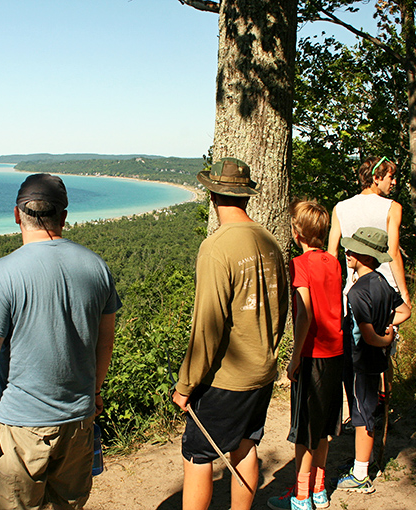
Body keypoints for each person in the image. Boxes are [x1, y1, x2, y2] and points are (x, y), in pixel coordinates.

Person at [0, 173, 122, 510]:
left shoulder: (3, 273)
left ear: (17, 214)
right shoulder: (97, 267)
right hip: (78, 419)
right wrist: (94, 393)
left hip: (20, 427)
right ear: (64, 216)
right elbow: (104, 344)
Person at [171, 157, 289, 510]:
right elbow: (280, 310)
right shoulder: (270, 242)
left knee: (197, 455)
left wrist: (186, 385)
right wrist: (266, 349)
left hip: (225, 379)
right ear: (245, 197)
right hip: (261, 370)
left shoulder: (216, 248)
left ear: (213, 197)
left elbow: (208, 326)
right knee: (245, 446)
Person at [267, 200, 344, 510]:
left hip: (313, 357)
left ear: (297, 232)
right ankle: (319, 489)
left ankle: (301, 497)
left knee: (304, 433)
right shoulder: (334, 263)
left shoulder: (300, 265)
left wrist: (295, 356)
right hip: (336, 354)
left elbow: (304, 315)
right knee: (324, 427)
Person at [335, 227, 411, 494]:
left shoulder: (357, 293)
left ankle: (360, 475)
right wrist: (388, 326)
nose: (347, 253)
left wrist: (384, 338)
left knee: (361, 415)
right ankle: (361, 461)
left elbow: (367, 336)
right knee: (365, 410)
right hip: (374, 361)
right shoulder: (382, 282)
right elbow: (404, 310)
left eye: (352, 250)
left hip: (360, 361)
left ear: (365, 256)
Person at [328, 155, 411, 308]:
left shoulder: (340, 208)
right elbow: (393, 253)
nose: (394, 182)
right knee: (384, 332)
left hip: (354, 291)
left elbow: (332, 255)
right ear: (376, 178)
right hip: (386, 289)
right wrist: (404, 293)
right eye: (390, 177)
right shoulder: (393, 207)